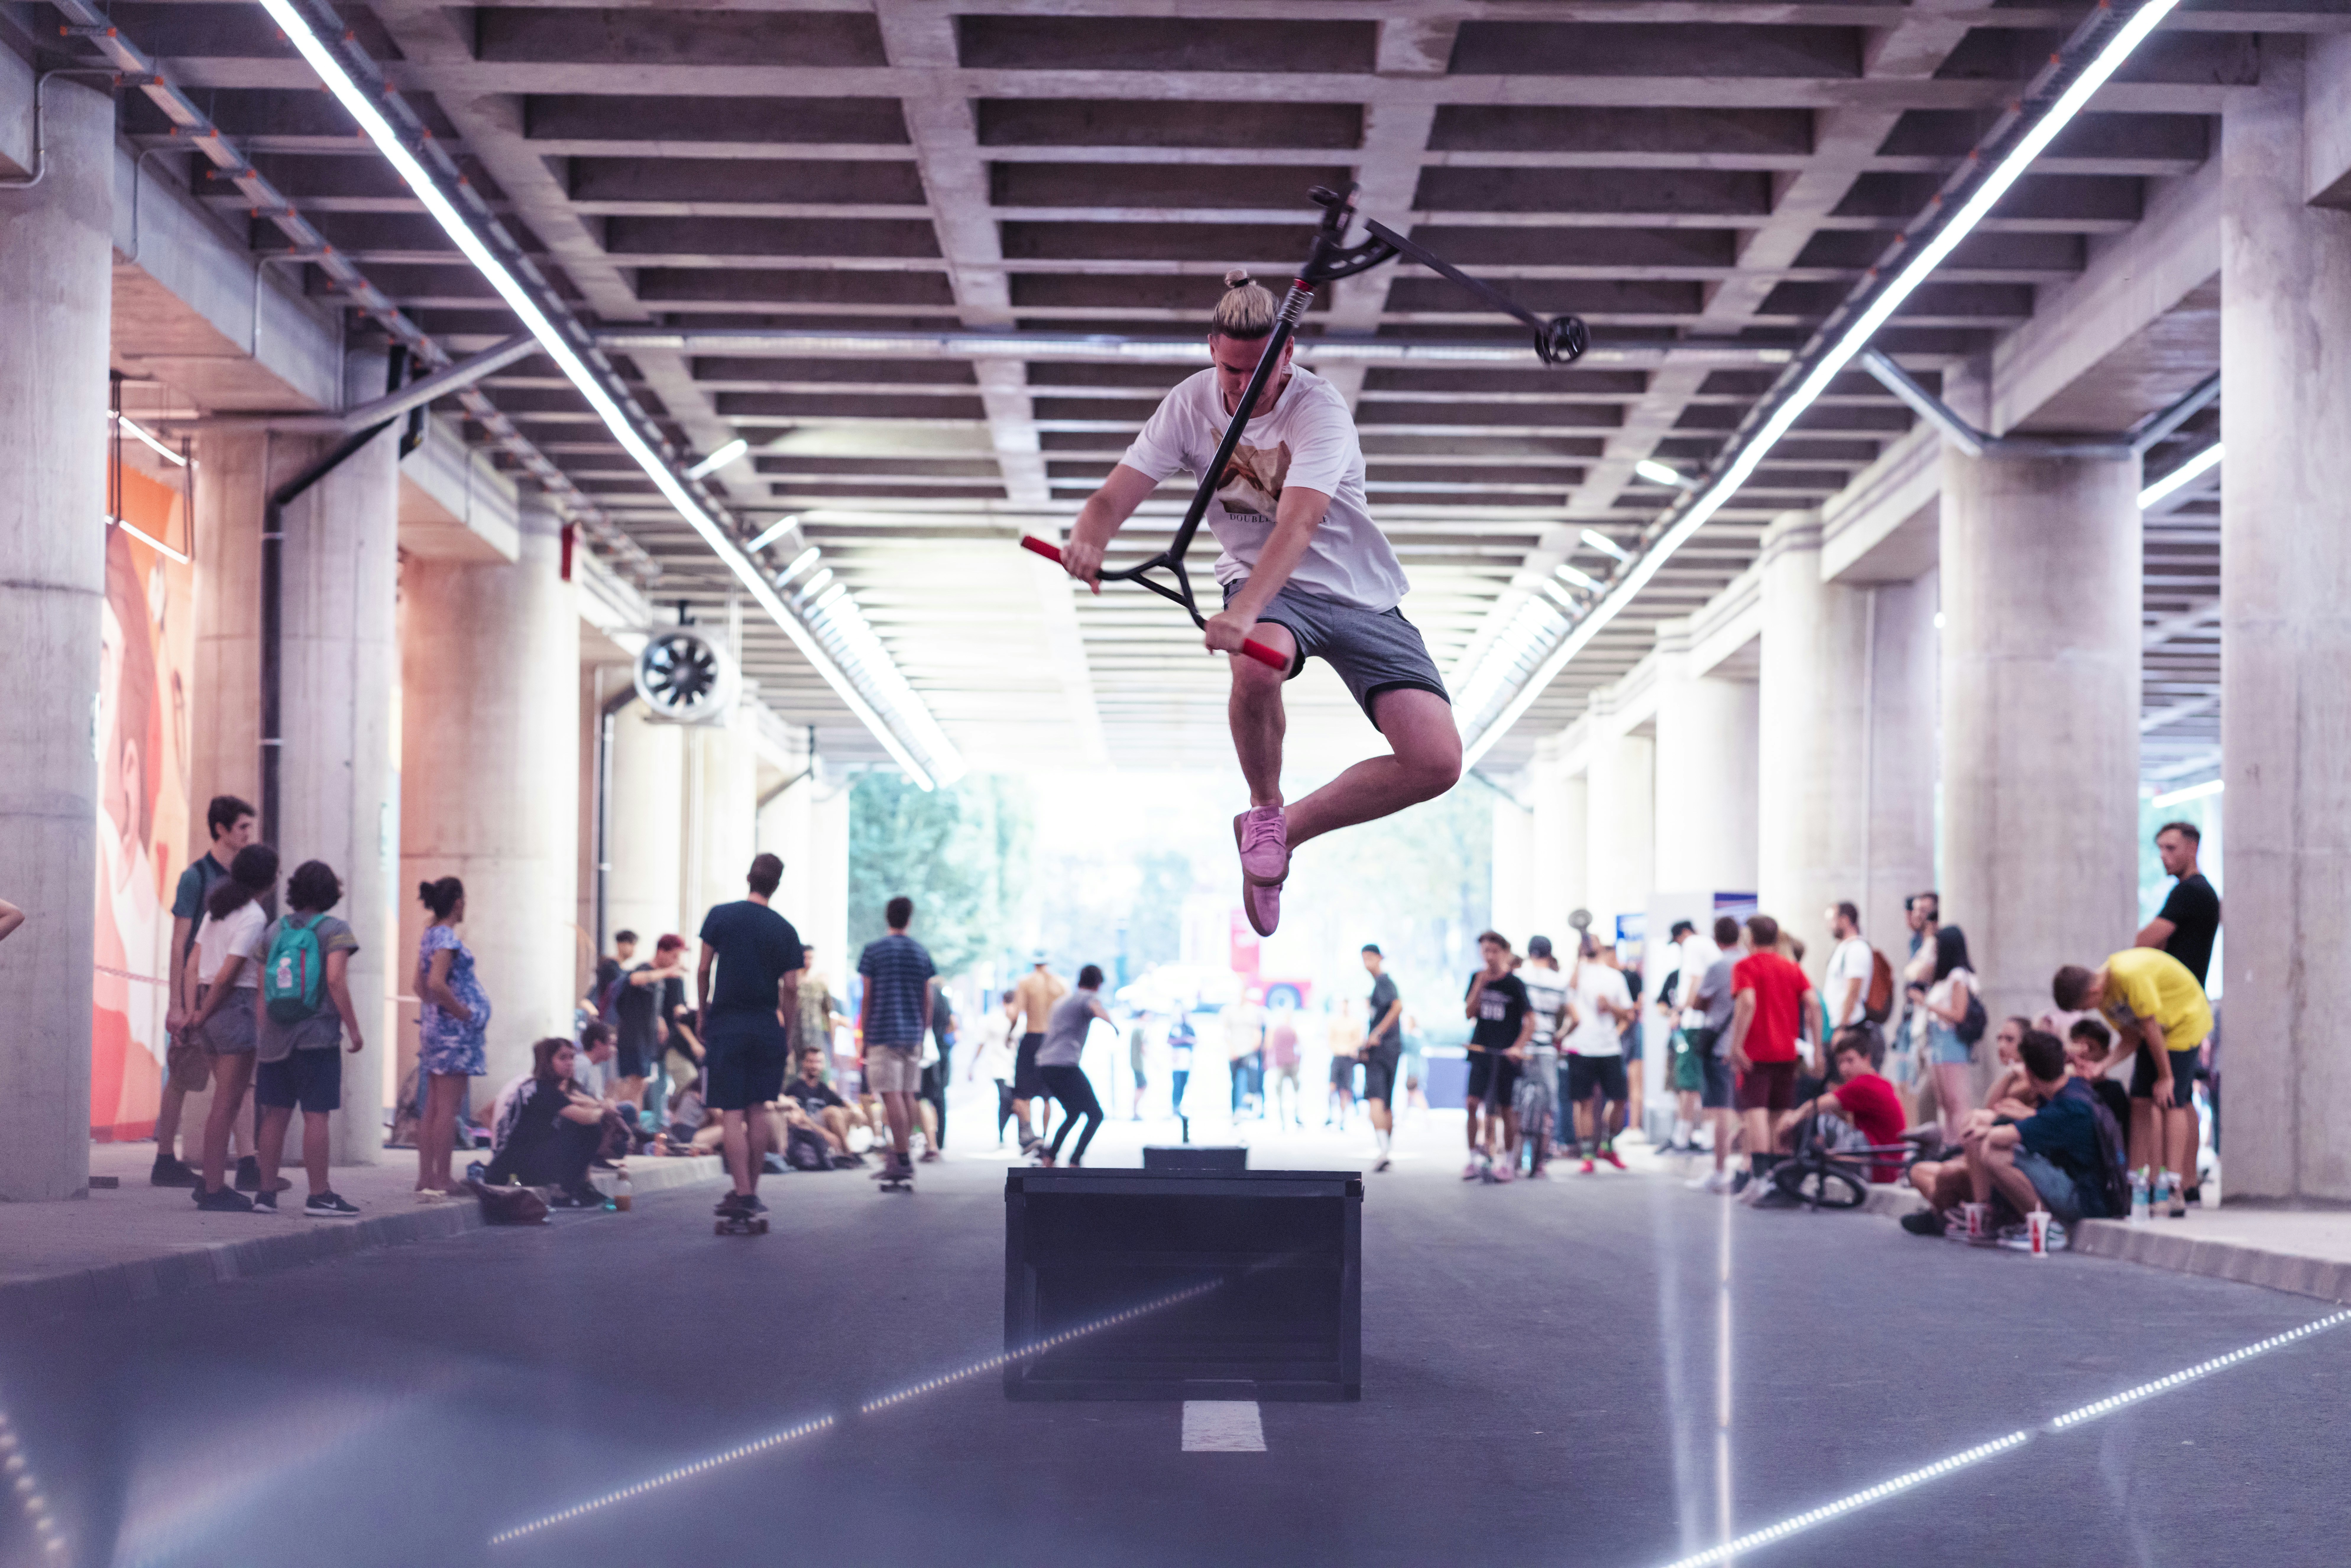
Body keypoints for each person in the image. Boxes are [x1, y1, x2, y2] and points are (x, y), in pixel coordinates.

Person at [1056, 272, 1461, 939]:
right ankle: (1266, 807)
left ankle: (1280, 832)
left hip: (1357, 594)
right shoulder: (1189, 404)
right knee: (1256, 665)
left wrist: (1241, 613)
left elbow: (1297, 527)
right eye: (1230, 371)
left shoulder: (1319, 411)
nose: (1244, 388)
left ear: (1290, 354)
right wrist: (1087, 539)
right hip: (1264, 588)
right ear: (1212, 349)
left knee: (1437, 763)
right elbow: (1110, 500)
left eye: (1260, 374)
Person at [2053, 946, 2211, 1219]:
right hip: (2157, 1031)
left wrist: (2166, 1077)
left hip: (2184, 1021)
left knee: (2171, 1099)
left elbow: (2149, 1026)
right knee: (2139, 1098)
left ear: (2091, 993)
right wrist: (2102, 1066)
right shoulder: (2104, 997)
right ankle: (2134, 1181)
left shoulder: (2129, 976)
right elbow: (2132, 1037)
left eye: (2083, 1007)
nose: (2088, 1011)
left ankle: (2174, 1188)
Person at [247, 860, 365, 1217]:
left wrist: (263, 1035)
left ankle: (266, 1195)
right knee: (316, 1116)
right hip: (317, 1038)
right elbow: (334, 980)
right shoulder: (335, 930)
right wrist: (354, 1029)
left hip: (275, 1040)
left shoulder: (273, 931)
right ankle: (319, 1195)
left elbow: (261, 991)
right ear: (331, 892)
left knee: (274, 1116)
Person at [157, 794, 257, 1186]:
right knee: (184, 1072)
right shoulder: (195, 877)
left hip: (230, 991)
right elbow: (180, 943)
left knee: (240, 1080)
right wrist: (176, 1003)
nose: (249, 834)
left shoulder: (242, 880)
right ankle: (165, 1158)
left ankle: (248, 1161)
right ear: (221, 829)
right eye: (243, 827)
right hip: (200, 989)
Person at [698, 853, 804, 1219]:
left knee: (731, 1111)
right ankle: (750, 1192)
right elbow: (791, 988)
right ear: (776, 886)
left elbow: (702, 969)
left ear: (748, 878)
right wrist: (786, 1032)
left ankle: (741, 1193)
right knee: (758, 1108)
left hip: (727, 1024)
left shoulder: (720, 916)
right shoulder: (786, 930)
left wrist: (703, 1013)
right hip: (765, 1027)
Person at [182, 844, 279, 1211]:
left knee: (221, 1103)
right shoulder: (253, 917)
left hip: (207, 1005)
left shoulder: (218, 909)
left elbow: (194, 965)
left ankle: (211, 1182)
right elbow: (229, 975)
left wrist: (194, 1012)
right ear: (268, 881)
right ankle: (213, 1188)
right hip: (231, 1007)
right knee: (228, 1103)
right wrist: (204, 1014)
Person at [1960, 1029, 2115, 1245]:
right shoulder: (2073, 1088)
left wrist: (1989, 1129)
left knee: (1994, 1154)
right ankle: (1998, 1217)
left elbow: (2003, 1138)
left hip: (2085, 1198)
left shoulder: (2068, 1107)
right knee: (1989, 1143)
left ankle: (2049, 1229)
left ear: (2030, 1074)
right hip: (2080, 1185)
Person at [1727, 914, 1819, 1201]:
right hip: (1786, 1053)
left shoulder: (1745, 966)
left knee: (1756, 1114)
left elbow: (1747, 1002)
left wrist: (1736, 1045)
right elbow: (1813, 1005)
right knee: (1780, 1114)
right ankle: (1781, 1180)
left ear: (1749, 938)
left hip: (1757, 1054)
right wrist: (1817, 1049)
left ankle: (1759, 1178)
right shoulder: (1791, 968)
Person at [414, 877, 490, 1203]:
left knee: (432, 1106)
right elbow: (436, 982)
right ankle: (442, 1177)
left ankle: (426, 1176)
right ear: (458, 902)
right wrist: (463, 1013)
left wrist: (437, 1011)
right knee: (448, 1108)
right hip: (453, 1035)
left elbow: (420, 986)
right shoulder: (446, 938)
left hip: (436, 1029)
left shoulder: (429, 936)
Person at [856, 894, 935, 1185]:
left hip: (883, 1032)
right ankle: (903, 1155)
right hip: (912, 1034)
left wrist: (864, 1034)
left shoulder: (873, 951)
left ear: (887, 917)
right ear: (909, 919)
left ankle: (901, 1158)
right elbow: (928, 996)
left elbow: (867, 995)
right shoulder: (920, 952)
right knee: (907, 1094)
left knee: (891, 1096)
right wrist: (923, 1030)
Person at [484, 1037, 608, 1206]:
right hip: (513, 1169)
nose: (570, 1063)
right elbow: (586, 1118)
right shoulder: (543, 1091)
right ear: (547, 1063)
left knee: (575, 1125)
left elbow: (580, 1103)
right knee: (589, 1129)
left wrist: (599, 1107)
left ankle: (579, 1188)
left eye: (572, 1058)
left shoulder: (537, 1086)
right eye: (563, 1058)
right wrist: (605, 1109)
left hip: (510, 1164)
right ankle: (567, 1192)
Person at [1778, 1031, 1908, 1184]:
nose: (1844, 1068)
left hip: (1879, 1168)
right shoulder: (1882, 1083)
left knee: (1821, 1119)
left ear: (1867, 1059)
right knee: (1823, 1122)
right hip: (1886, 1165)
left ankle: (1792, 1174)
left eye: (1850, 1061)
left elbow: (1818, 1105)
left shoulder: (1864, 1085)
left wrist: (1792, 1119)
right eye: (1840, 1062)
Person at [1462, 931, 1531, 1180]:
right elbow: (1469, 1012)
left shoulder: (1514, 984)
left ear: (1503, 953)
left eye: (1494, 951)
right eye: (1485, 951)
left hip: (1506, 1055)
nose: (1489, 956)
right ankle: (1472, 1158)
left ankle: (1510, 1162)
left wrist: (1518, 1047)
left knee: (1506, 1109)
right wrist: (1481, 983)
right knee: (1472, 1104)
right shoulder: (1477, 978)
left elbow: (1529, 1020)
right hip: (1481, 1051)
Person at [1684, 916, 1744, 1192]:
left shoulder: (1719, 966)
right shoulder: (1748, 963)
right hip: (1748, 1046)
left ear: (1716, 938)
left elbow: (1698, 1002)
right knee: (1748, 1110)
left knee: (1721, 1110)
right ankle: (1747, 1166)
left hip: (1722, 1046)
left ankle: (1720, 1169)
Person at [1564, 937, 1633, 1175]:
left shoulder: (1615, 976)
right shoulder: (1575, 973)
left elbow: (1629, 1014)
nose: (1587, 943)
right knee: (1584, 1102)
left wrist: (1611, 1008)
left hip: (1609, 1048)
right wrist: (1578, 959)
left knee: (1620, 1100)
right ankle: (1587, 1154)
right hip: (1580, 1047)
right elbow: (1567, 996)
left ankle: (1607, 1146)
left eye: (1591, 940)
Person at [1035, 965, 1111, 1167]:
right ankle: (1075, 1161)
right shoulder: (1086, 998)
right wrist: (1114, 1025)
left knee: (1074, 1112)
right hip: (1064, 1065)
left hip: (1046, 1064)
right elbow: (1096, 1008)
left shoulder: (1063, 1001)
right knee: (1096, 1114)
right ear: (1098, 984)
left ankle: (1050, 1157)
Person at [1913, 925, 1978, 1147]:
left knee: (1957, 1102)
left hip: (1951, 1041)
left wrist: (1928, 1005)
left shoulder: (1959, 976)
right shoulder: (1943, 978)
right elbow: (1917, 974)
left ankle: (1962, 1150)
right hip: (1937, 1042)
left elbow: (1959, 1014)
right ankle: (1950, 1146)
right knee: (1945, 1103)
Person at [2138, 821, 2220, 989]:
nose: (2162, 855)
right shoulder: (2197, 889)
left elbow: (2143, 943)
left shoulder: (2190, 891)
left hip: (2181, 1001)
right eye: (2160, 849)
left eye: (2171, 848)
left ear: (2193, 848)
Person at [1515, 936, 1571, 1177]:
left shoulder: (1519, 977)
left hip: (1521, 1047)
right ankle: (1540, 1164)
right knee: (1549, 1106)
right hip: (1547, 1048)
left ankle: (1514, 1160)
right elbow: (1574, 1017)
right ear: (1550, 954)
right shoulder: (1559, 981)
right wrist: (1559, 1035)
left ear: (1529, 953)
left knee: (1516, 1105)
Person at [1011, 953, 1066, 1156]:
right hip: (1052, 1041)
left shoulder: (1025, 983)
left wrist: (1010, 1033)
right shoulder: (1061, 985)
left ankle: (1031, 1136)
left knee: (1023, 1095)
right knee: (1047, 1096)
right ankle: (1045, 1139)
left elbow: (1017, 1014)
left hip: (1032, 1037)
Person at [1360, 944, 1404, 1171]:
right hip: (1392, 1049)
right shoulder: (1381, 985)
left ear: (1379, 958)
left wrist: (1376, 1033)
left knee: (1376, 1100)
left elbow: (1397, 1007)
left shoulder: (1384, 982)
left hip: (1382, 1051)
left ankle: (1384, 1150)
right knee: (1386, 1101)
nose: (1367, 963)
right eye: (1364, 959)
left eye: (1370, 958)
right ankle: (1386, 1150)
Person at [781, 1048, 860, 1161]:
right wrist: (825, 1133)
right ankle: (848, 1152)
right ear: (804, 1063)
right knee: (832, 1112)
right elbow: (797, 1117)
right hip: (807, 1129)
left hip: (824, 1127)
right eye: (811, 1062)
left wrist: (856, 1111)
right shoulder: (795, 1089)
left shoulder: (824, 1089)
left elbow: (843, 1103)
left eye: (818, 1062)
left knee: (845, 1112)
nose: (814, 1066)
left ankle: (841, 1152)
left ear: (823, 1065)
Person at [966, 989, 1021, 1145]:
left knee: (1016, 1101)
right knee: (1005, 1098)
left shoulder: (1022, 1021)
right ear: (1003, 1004)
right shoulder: (992, 1020)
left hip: (1016, 1068)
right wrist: (972, 1066)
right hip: (998, 1067)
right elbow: (981, 1044)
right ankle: (1002, 1134)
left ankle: (1019, 1136)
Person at [1823, 902, 1877, 1040]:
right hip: (1837, 1025)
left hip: (1850, 1026)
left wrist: (1843, 1027)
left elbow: (1853, 991)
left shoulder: (1857, 948)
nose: (1829, 926)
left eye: (1832, 920)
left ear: (1845, 920)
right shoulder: (1844, 948)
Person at [1225, 990, 1265, 1120]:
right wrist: (1231, 1049)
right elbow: (1226, 1031)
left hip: (1249, 1050)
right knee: (1235, 1082)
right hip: (1235, 1051)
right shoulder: (1229, 1011)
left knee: (1251, 1081)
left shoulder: (1253, 1010)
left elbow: (1258, 1030)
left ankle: (1249, 1108)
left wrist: (1255, 1047)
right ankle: (1235, 1110)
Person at [1265, 1004, 1303, 1127]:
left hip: (1286, 1064)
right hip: (1286, 1064)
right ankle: (1289, 1119)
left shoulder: (1283, 1030)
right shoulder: (1287, 1030)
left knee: (1288, 1093)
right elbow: (1298, 1047)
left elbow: (1270, 1047)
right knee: (1288, 1093)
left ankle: (1291, 1119)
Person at [1168, 1012, 1197, 1141]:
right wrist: (1184, 1041)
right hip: (1177, 1062)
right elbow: (1170, 1041)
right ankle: (1176, 1106)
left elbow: (1195, 1040)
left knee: (1185, 1084)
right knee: (1177, 1084)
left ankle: (1183, 1105)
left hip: (1187, 1061)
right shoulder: (1175, 1028)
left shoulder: (1189, 1028)